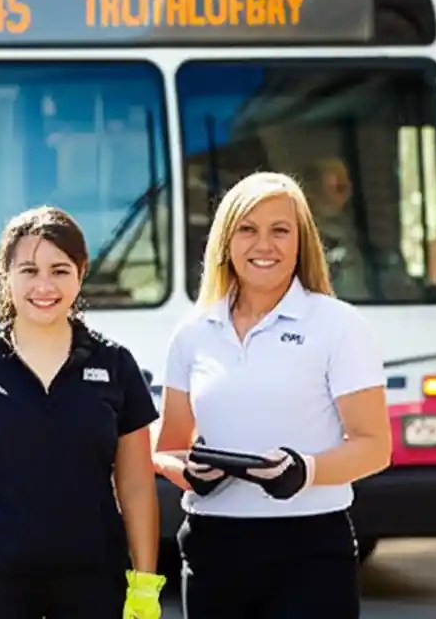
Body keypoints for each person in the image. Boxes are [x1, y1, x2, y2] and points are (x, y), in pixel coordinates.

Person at [152, 171, 393, 618]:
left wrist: (305, 470)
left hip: (311, 552)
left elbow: (376, 447)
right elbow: (168, 448)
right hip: (212, 550)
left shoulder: (340, 326)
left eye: (280, 230)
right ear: (226, 241)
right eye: (248, 229)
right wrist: (190, 473)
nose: (264, 245)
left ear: (301, 243)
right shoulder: (191, 334)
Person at [0, 206, 167, 619]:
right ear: (6, 274)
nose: (44, 285)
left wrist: (144, 581)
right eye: (29, 270)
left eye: (60, 270)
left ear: (81, 273)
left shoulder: (117, 365)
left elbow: (137, 487)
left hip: (94, 581)